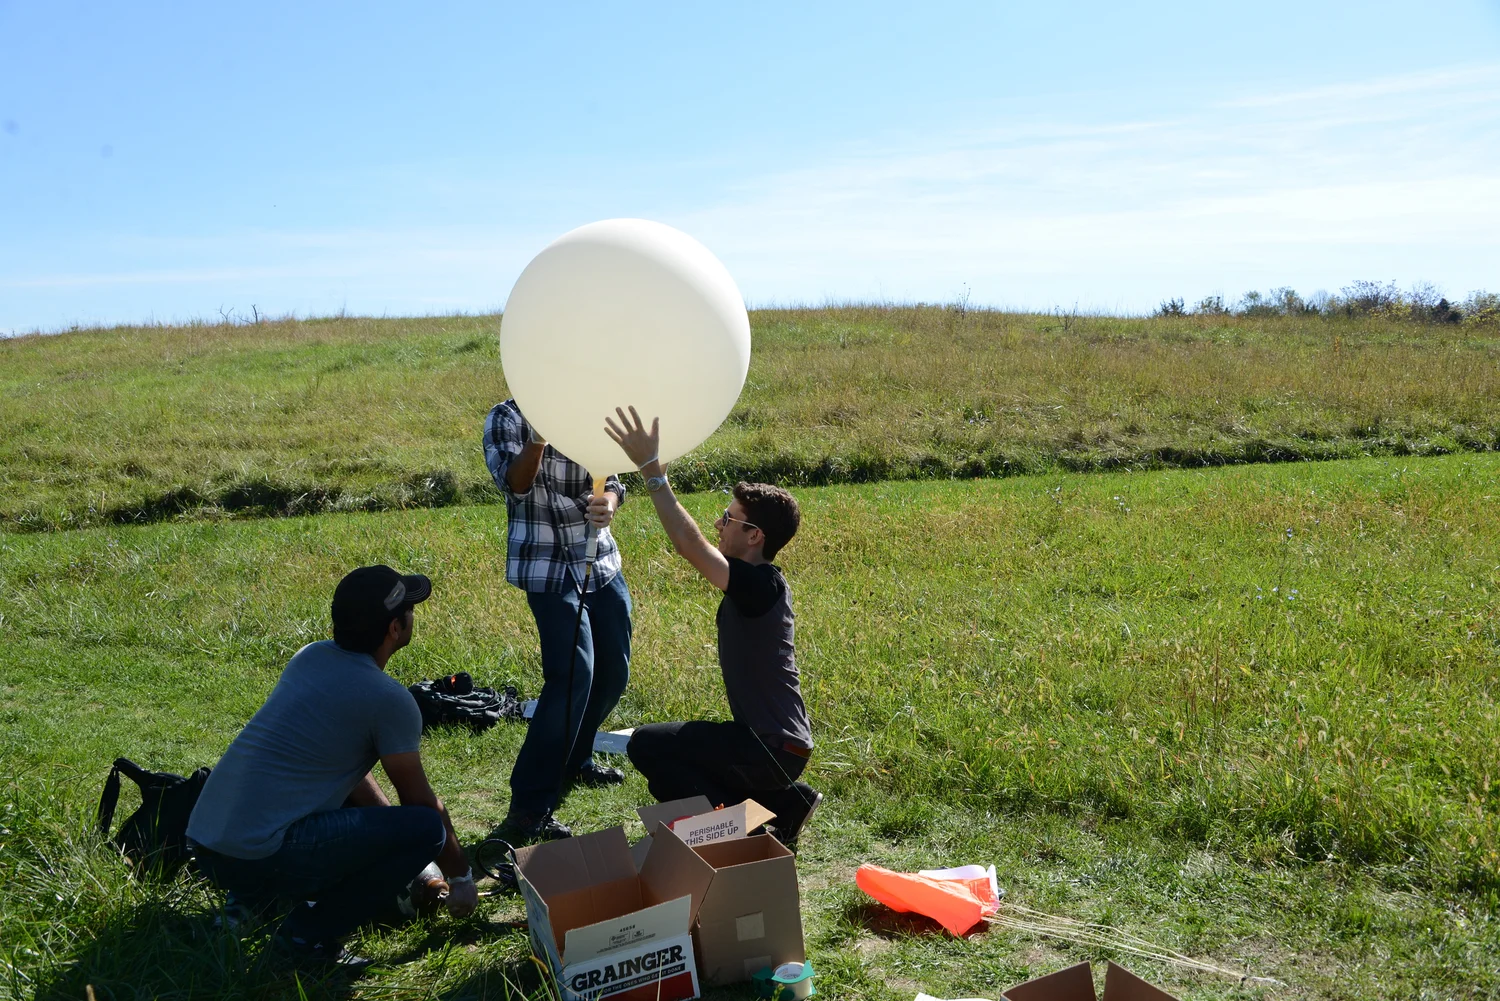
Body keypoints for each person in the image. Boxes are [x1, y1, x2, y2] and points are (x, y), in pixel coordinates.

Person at [187, 565, 478, 971]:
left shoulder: (311, 656)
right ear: (395, 628)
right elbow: (419, 803)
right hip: (257, 853)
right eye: (410, 610)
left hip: (206, 842)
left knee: (356, 816)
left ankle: (251, 901)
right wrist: (461, 877)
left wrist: (387, 836)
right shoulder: (389, 700)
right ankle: (307, 934)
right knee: (426, 830)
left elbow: (346, 767)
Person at [604, 406, 822, 848]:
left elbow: (689, 545)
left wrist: (652, 471)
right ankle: (788, 802)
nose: (719, 524)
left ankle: (752, 830)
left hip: (770, 748)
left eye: (728, 518)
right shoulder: (757, 585)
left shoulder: (759, 583)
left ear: (755, 535)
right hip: (775, 748)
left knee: (648, 746)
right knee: (672, 750)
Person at [483, 399, 632, 843]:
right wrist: (539, 436)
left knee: (613, 672)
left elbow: (614, 479)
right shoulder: (506, 417)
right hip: (545, 566)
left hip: (599, 560)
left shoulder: (588, 404)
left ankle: (576, 758)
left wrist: (608, 501)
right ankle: (529, 805)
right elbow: (515, 485)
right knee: (572, 675)